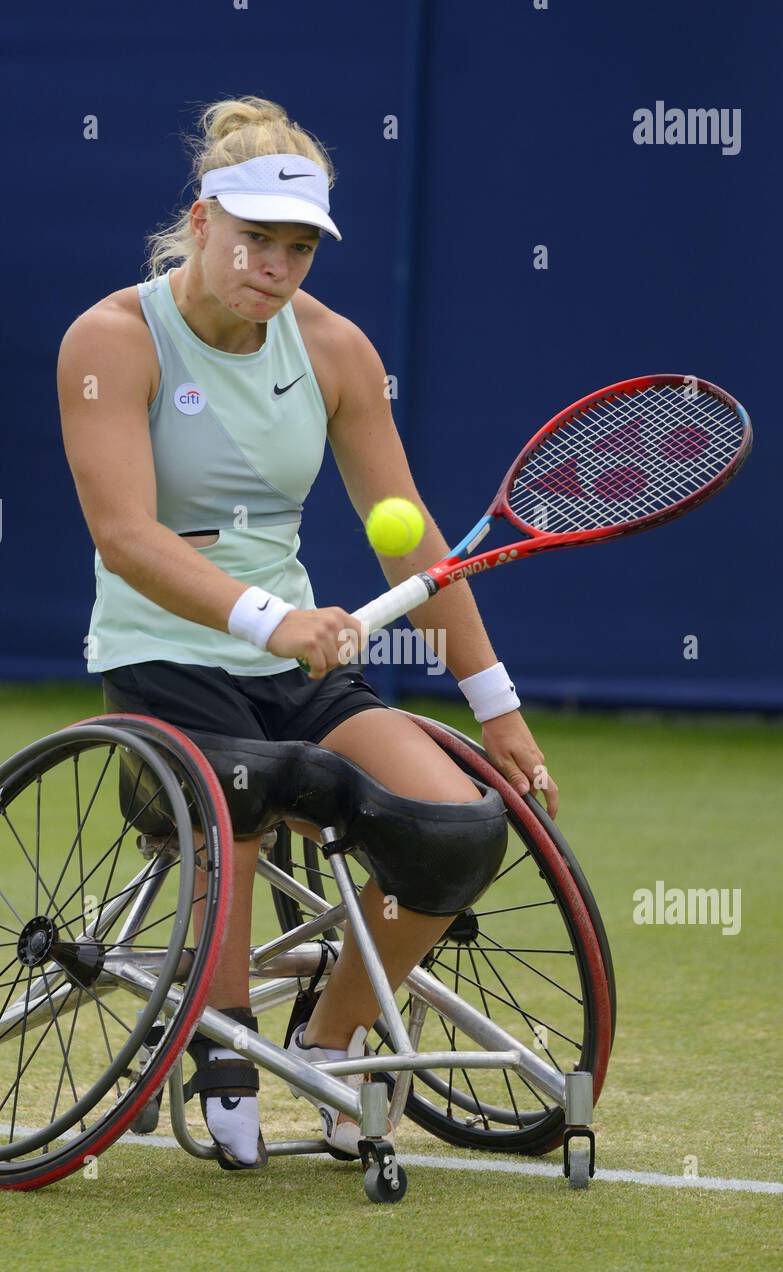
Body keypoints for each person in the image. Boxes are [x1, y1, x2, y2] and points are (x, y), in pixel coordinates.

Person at [57, 94, 557, 1169]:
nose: (274, 266)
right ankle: (225, 1056)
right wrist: (273, 618)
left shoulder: (334, 352)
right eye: (254, 239)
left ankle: (327, 1034)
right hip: (164, 665)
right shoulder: (109, 340)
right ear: (202, 221)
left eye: (297, 248)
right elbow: (125, 535)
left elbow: (417, 549)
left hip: (290, 672)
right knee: (233, 782)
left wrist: (498, 706)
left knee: (462, 824)